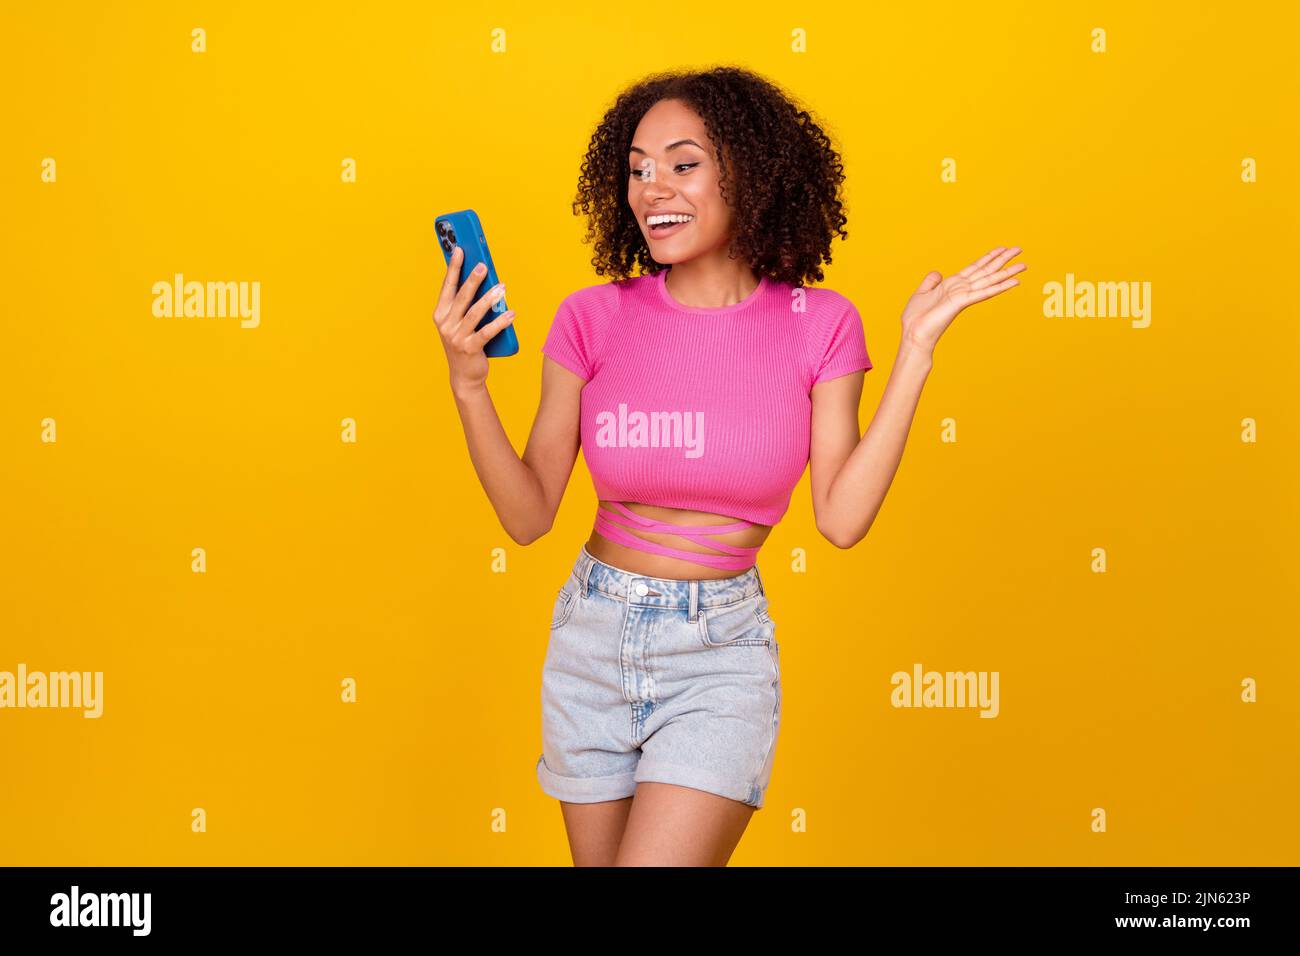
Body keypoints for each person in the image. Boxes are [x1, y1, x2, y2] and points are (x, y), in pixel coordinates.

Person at [434, 66, 1025, 866]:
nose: (652, 189)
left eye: (683, 164)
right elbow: (529, 514)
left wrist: (916, 351)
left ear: (749, 172)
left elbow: (842, 520)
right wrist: (469, 385)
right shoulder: (593, 317)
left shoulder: (820, 325)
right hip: (591, 640)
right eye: (638, 168)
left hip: (718, 652)